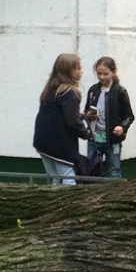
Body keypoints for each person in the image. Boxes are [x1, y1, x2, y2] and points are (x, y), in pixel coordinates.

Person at [33, 54, 92, 185]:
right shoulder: (69, 94)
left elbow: (58, 113)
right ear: (68, 72)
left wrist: (76, 113)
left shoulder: (50, 90)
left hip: (43, 141)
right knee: (68, 177)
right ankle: (68, 205)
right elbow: (72, 122)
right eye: (78, 68)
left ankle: (55, 203)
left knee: (55, 177)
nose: (81, 71)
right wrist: (86, 133)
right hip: (59, 144)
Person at [84, 57, 135, 179]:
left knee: (114, 170)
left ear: (113, 72)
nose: (102, 77)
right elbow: (86, 111)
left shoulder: (120, 91)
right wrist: (89, 115)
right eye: (99, 74)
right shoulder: (93, 90)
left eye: (105, 74)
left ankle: (115, 196)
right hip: (94, 139)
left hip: (113, 139)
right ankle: (93, 195)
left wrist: (122, 127)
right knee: (92, 170)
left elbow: (129, 116)